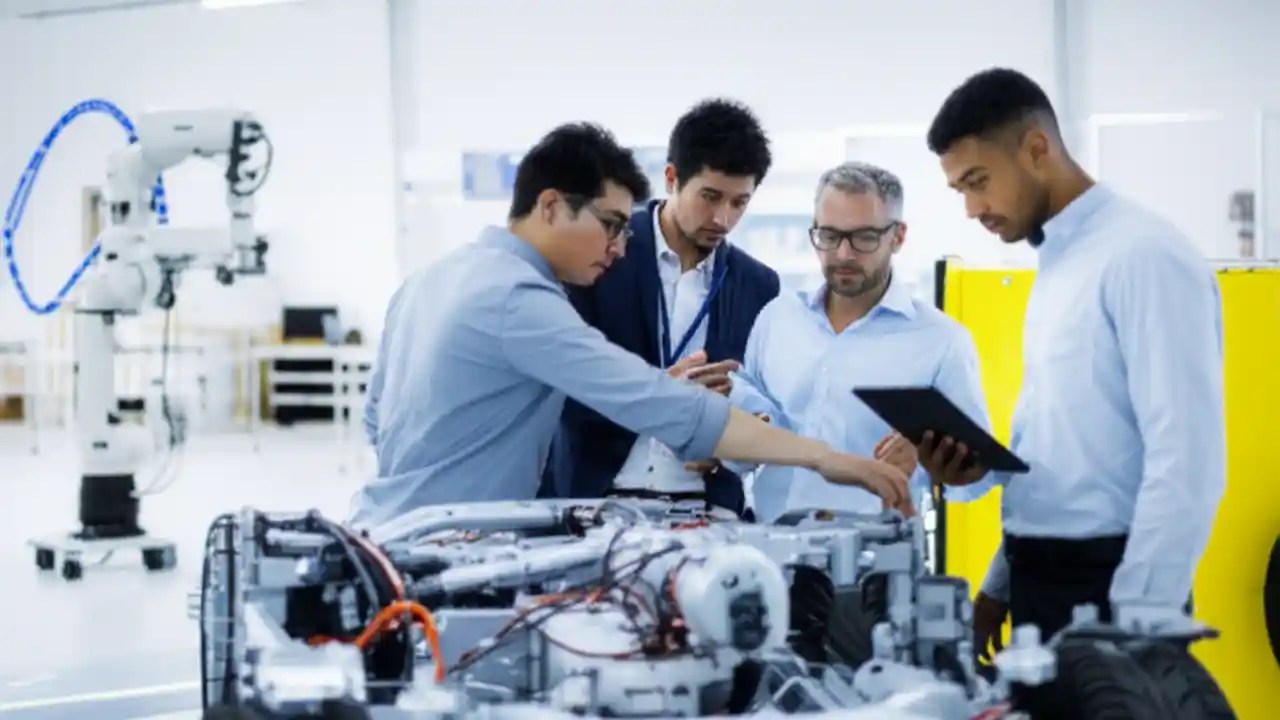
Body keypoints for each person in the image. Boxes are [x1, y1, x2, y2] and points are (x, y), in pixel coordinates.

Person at [350, 121, 912, 528]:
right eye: (612, 225)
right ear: (550, 206)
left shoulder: (432, 278)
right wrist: (827, 458)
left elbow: (377, 422)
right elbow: (658, 403)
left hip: (389, 530)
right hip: (450, 545)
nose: (620, 246)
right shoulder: (517, 298)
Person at [921, 68, 1225, 657]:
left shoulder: (1144, 257)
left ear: (1036, 149)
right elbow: (1057, 461)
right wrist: (997, 589)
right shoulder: (1060, 265)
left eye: (978, 181)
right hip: (1042, 584)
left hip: (1113, 594)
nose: (970, 208)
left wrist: (1137, 624)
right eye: (959, 189)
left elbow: (1187, 459)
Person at [541, 99, 780, 516]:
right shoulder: (600, 252)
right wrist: (656, 395)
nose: (722, 219)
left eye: (739, 203)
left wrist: (734, 444)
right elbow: (556, 387)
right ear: (672, 177)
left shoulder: (757, 285)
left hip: (707, 512)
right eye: (710, 197)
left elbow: (760, 401)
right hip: (600, 504)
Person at [729, 161, 995, 523]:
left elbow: (978, 475)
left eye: (864, 237)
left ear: (898, 237)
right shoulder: (779, 318)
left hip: (877, 558)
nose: (843, 254)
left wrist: (928, 463)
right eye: (829, 236)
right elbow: (746, 411)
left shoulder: (941, 341)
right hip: (768, 546)